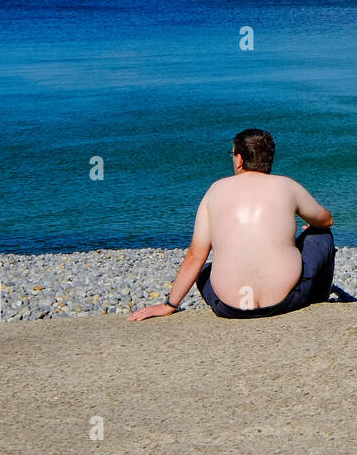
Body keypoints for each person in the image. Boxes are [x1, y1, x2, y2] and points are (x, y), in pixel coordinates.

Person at [128, 128, 336, 321]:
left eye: (233, 154)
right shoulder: (288, 186)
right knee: (322, 234)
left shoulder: (215, 191)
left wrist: (169, 304)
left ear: (239, 159)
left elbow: (196, 256)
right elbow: (327, 220)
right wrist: (310, 228)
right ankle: (320, 300)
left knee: (204, 270)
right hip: (287, 301)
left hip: (229, 308)